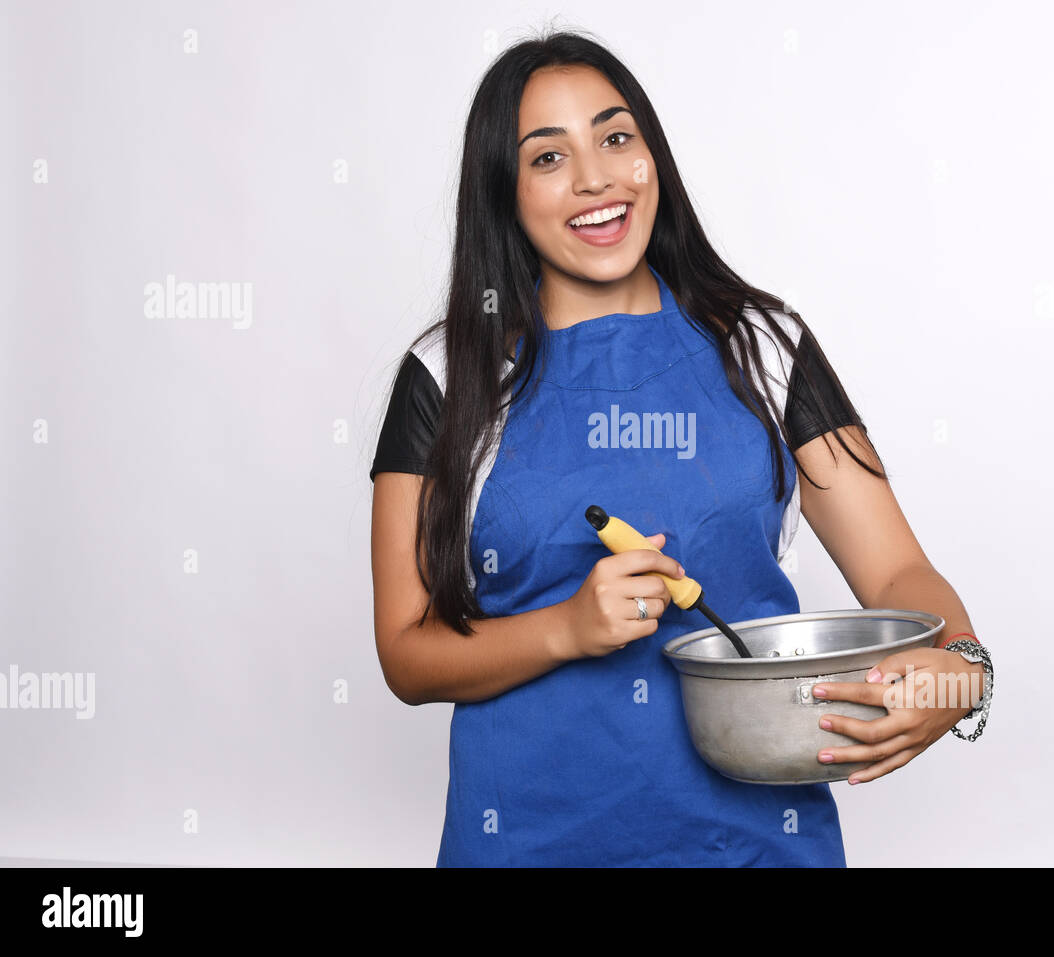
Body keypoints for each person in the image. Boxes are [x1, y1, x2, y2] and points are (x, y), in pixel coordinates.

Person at [369, 29, 991, 867]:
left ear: (651, 156)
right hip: (522, 842)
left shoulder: (766, 346)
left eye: (616, 137)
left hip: (755, 847)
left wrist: (958, 672)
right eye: (548, 158)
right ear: (504, 192)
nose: (595, 177)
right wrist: (566, 628)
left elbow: (896, 574)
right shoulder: (447, 376)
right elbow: (407, 651)